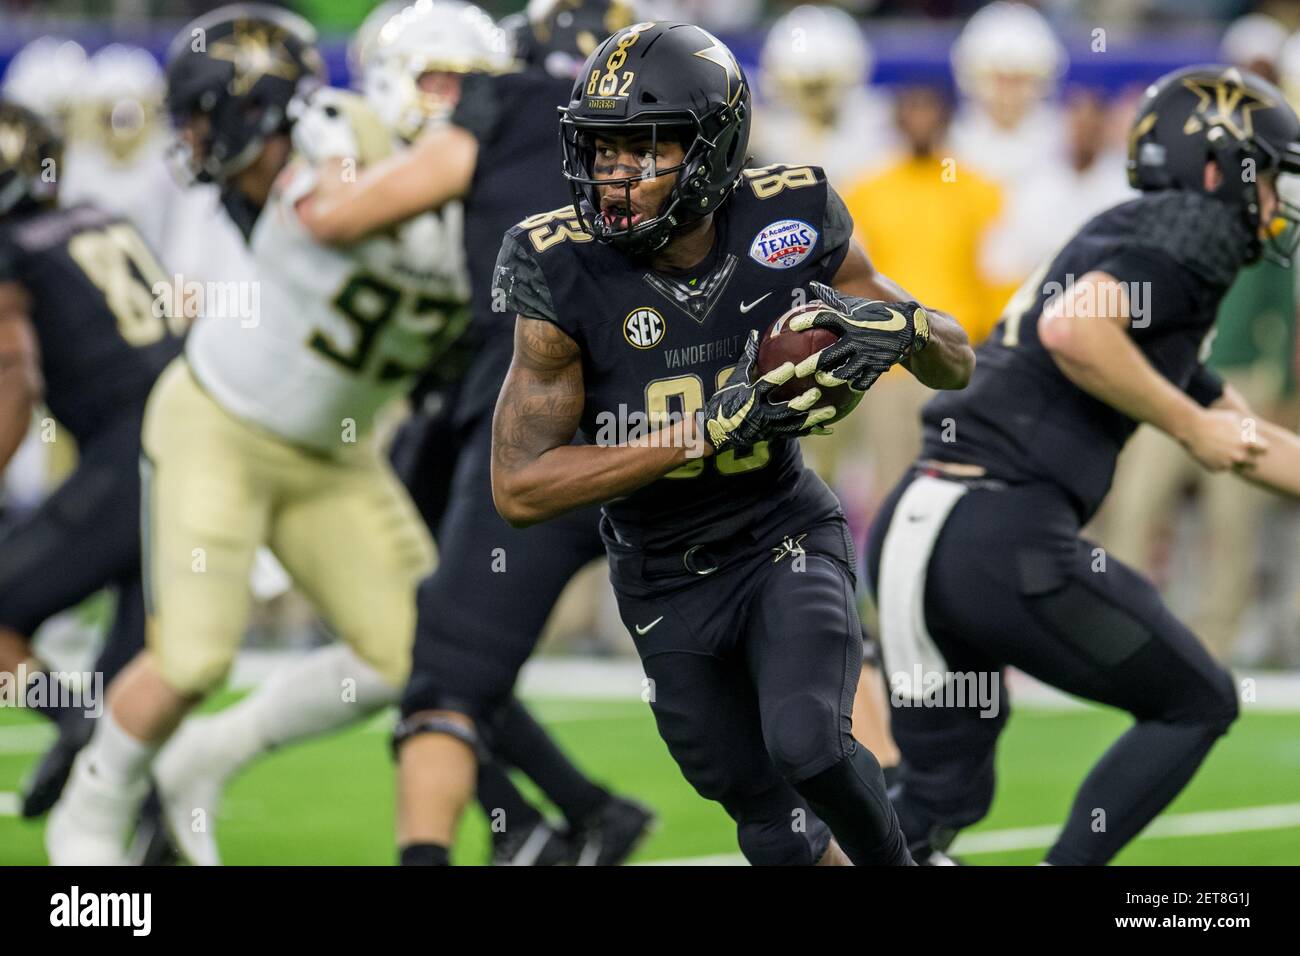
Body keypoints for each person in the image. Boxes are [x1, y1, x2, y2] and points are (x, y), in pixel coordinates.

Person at [489, 21, 974, 865]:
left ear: (713, 147)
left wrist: (902, 327)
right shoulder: (558, 267)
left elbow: (956, 362)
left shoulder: (790, 213)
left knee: (809, 746)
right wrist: (699, 432)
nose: (614, 175)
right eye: (601, 151)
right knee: (771, 827)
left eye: (643, 150)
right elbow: (520, 486)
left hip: (781, 529)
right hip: (660, 572)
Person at [866, 65, 1300, 865]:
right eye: (1268, 178)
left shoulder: (1131, 240)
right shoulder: (1190, 232)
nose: (1276, 203)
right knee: (1197, 700)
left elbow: (1239, 434)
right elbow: (1076, 331)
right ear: (1216, 171)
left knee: (936, 803)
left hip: (916, 531)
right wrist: (1183, 425)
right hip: (998, 537)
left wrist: (1200, 423)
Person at [45, 4, 442, 865]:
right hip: (218, 426)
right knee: (190, 658)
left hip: (334, 452)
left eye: (202, 114)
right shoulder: (329, 142)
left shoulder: (445, 175)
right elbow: (331, 206)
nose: (193, 136)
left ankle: (206, 758)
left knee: (414, 656)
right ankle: (88, 816)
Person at [294, 0, 655, 866]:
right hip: (669, 418)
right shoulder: (672, 143)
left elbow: (334, 218)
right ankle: (906, 829)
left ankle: (491, 838)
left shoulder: (509, 103)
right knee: (772, 671)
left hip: (536, 424)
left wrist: (325, 168)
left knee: (443, 674)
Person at [0, 100, 184, 818]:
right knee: (129, 677)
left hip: (128, 457)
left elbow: (16, 372)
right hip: (190, 452)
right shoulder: (96, 217)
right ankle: (135, 817)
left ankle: (74, 728)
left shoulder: (15, 246)